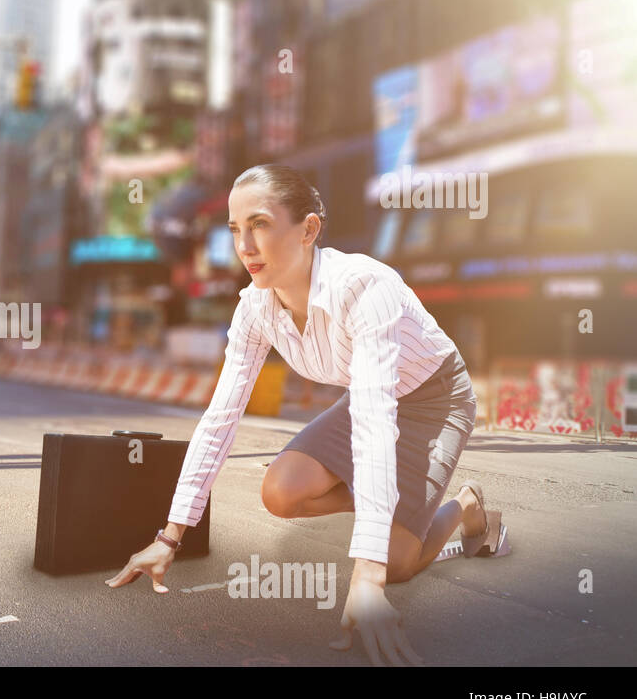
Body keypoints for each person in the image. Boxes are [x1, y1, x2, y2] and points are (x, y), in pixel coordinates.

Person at [106, 164, 508, 667]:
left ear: (309, 229)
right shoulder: (254, 308)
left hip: (434, 399)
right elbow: (221, 416)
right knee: (280, 491)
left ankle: (467, 507)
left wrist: (367, 576)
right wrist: (170, 537)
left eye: (260, 224)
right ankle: (394, 502)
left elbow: (374, 421)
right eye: (234, 229)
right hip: (367, 398)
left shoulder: (365, 287)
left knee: (398, 563)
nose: (245, 246)